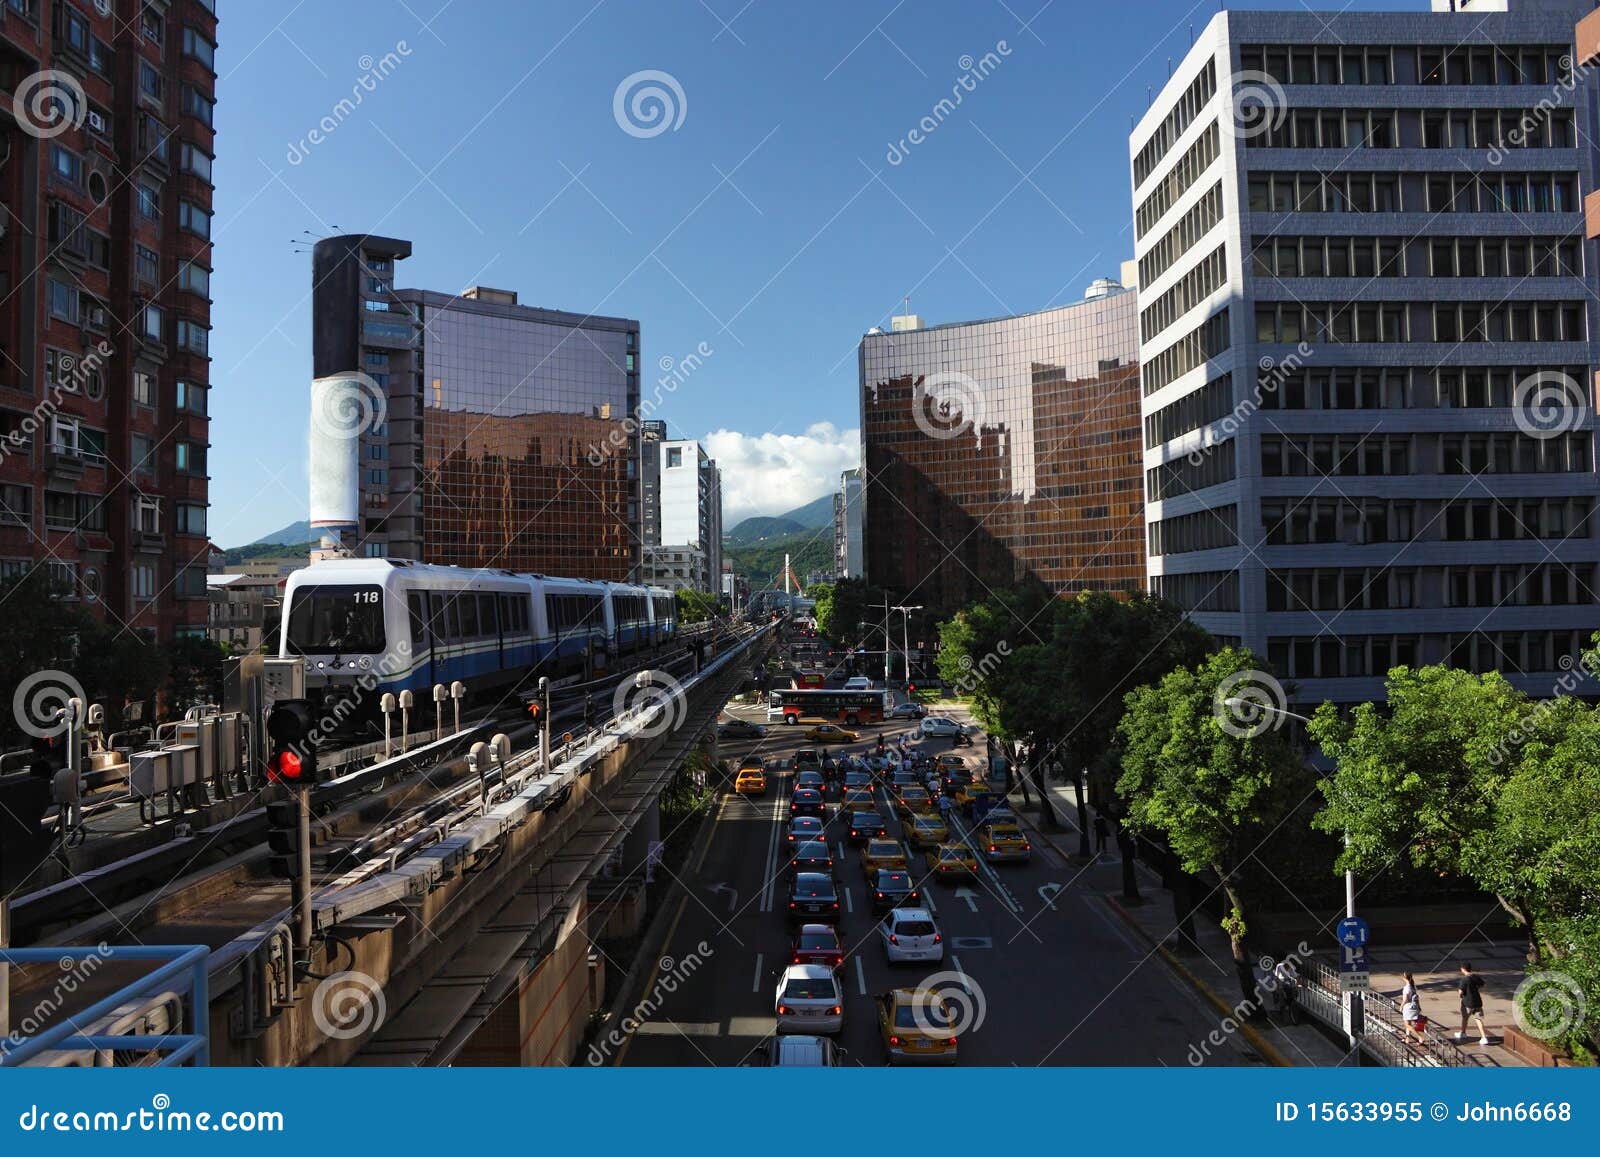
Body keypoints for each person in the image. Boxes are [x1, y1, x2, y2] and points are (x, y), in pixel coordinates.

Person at [1455, 962, 1489, 1045]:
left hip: (1467, 1002)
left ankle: (1463, 1033)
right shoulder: (1475, 977)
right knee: (1478, 1019)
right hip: (1477, 1001)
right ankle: (1484, 1037)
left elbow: (1460, 991)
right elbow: (1484, 985)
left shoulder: (1464, 979)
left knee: (1465, 1018)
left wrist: (1461, 995)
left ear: (1463, 969)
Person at [1400, 971, 1427, 1045]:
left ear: (1405, 978)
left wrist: (1401, 1006)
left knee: (1407, 1025)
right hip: (1414, 1006)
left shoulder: (1406, 988)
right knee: (1408, 1023)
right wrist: (1419, 1007)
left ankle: (1420, 1037)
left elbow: (1405, 999)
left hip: (1408, 1007)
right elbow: (1416, 998)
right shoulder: (1413, 987)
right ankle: (1407, 1039)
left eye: (1403, 976)